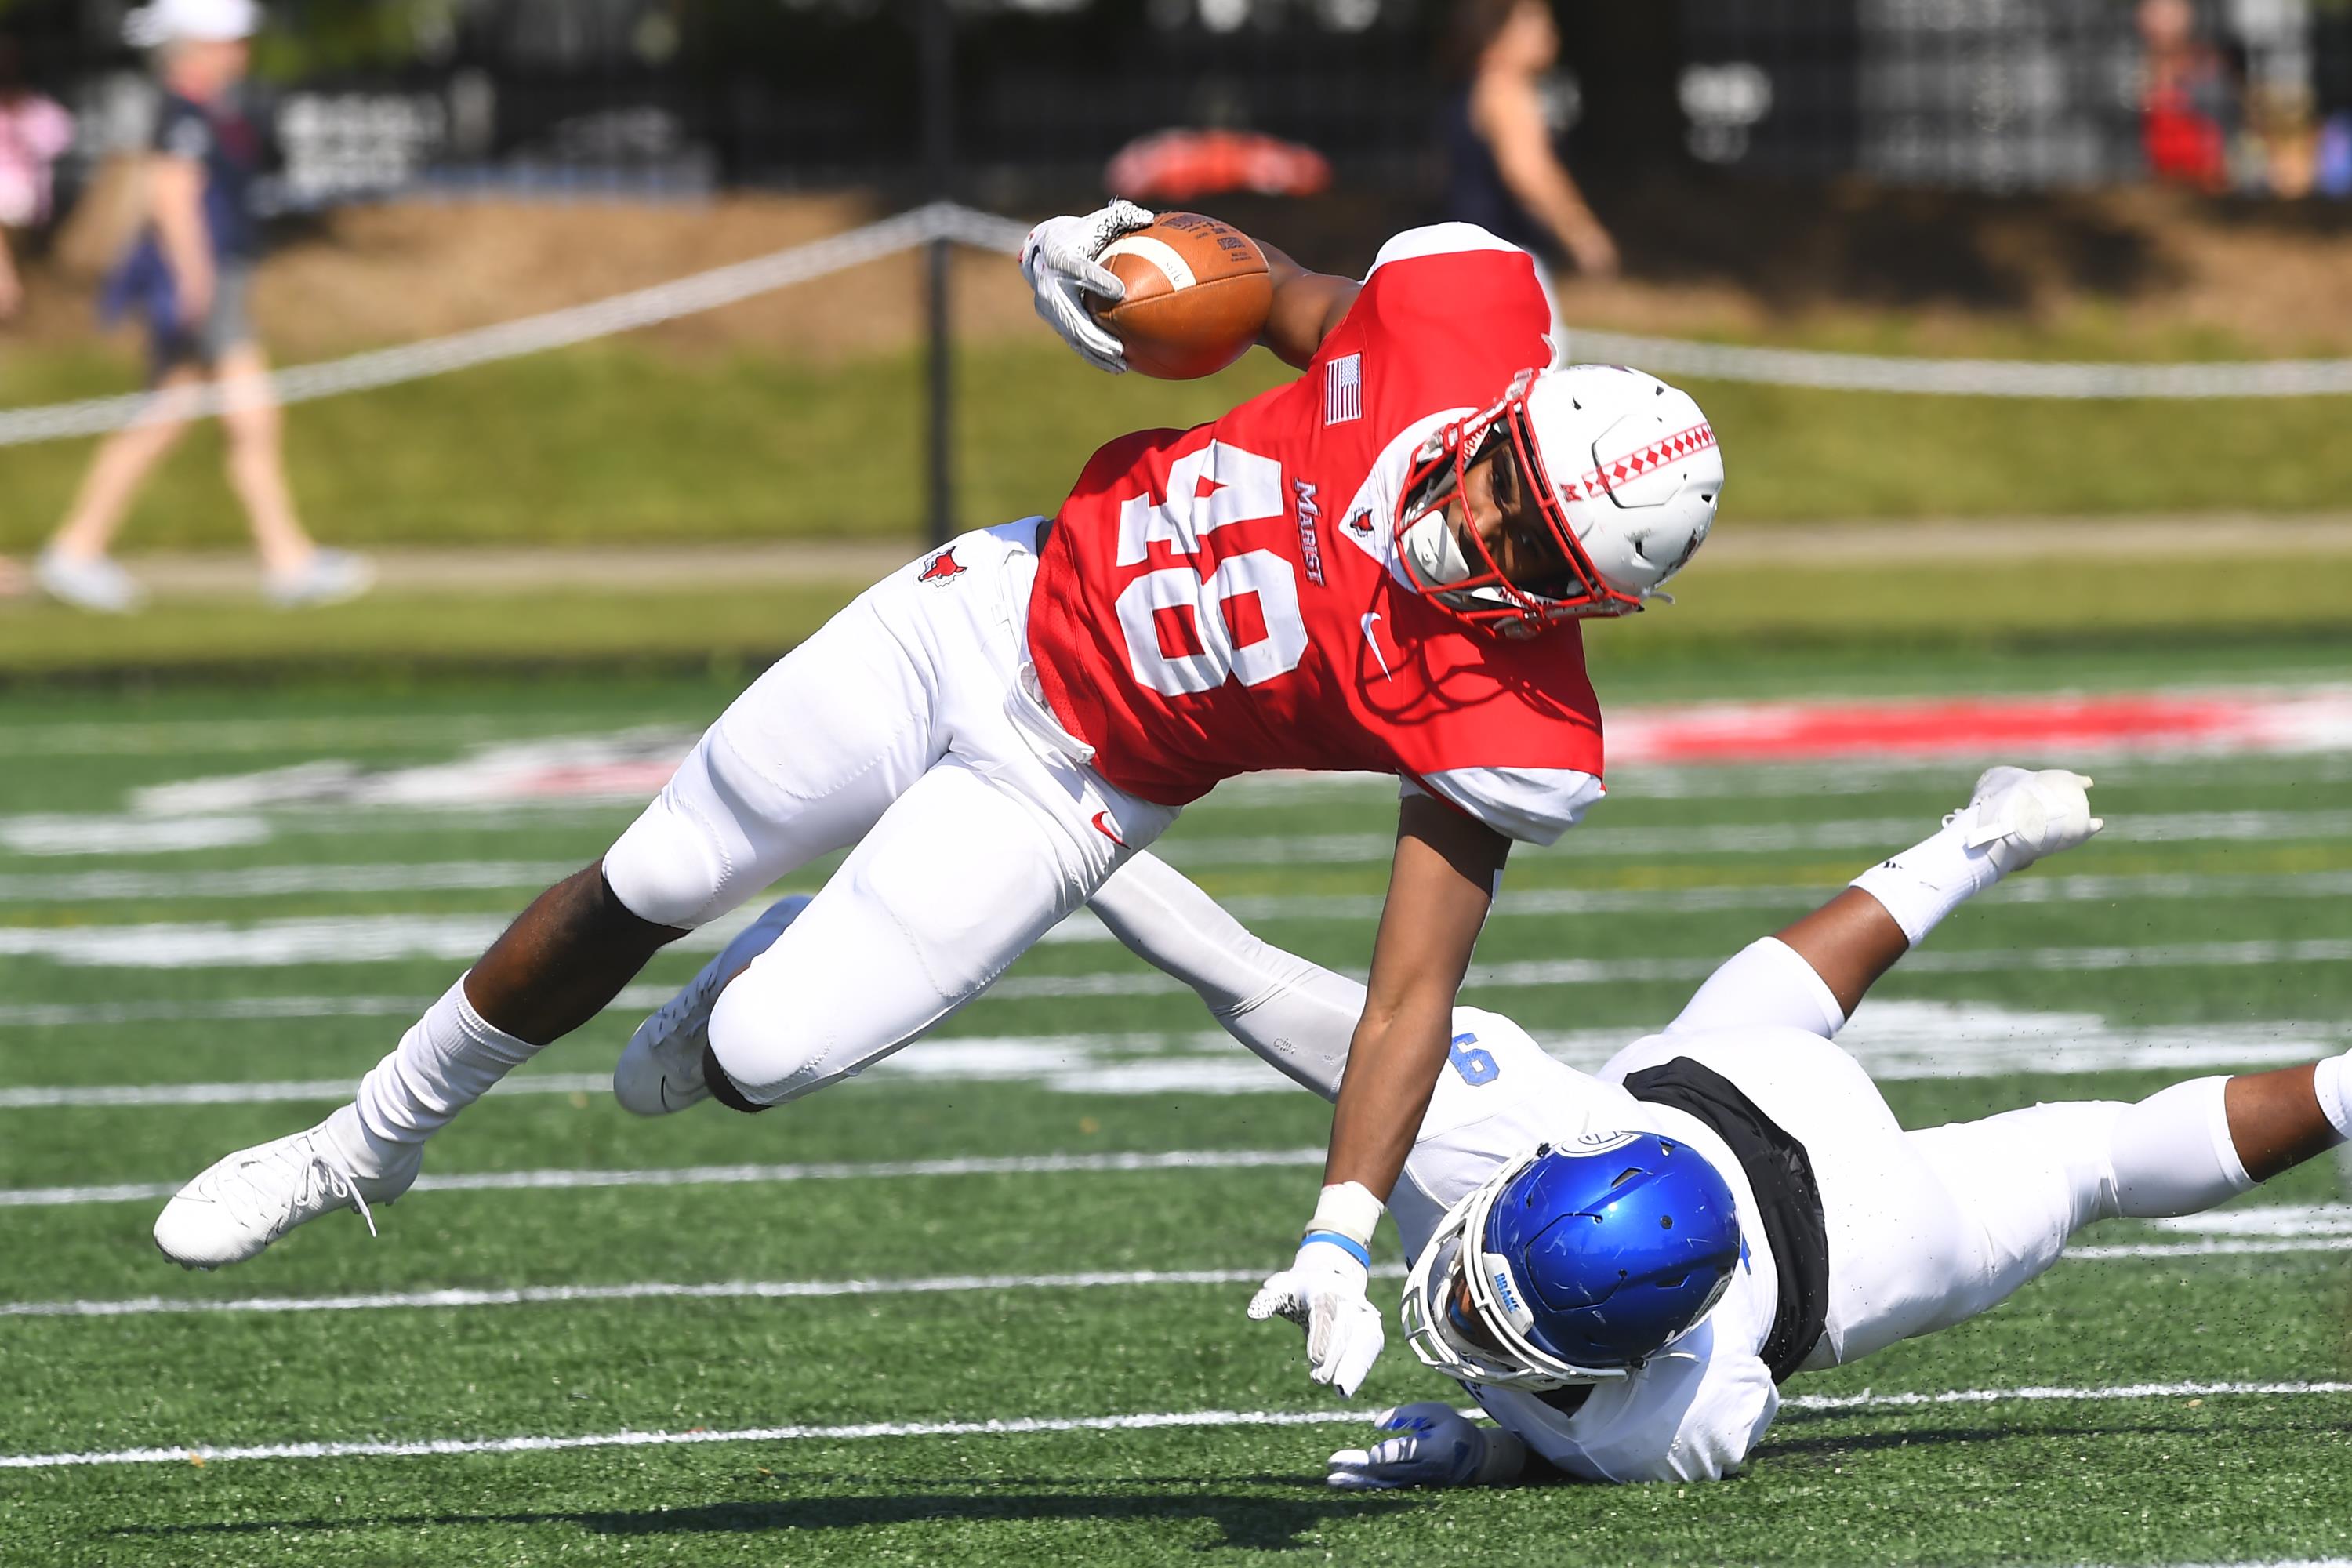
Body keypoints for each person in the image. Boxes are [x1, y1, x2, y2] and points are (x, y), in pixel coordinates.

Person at [150, 200, 1722, 1398]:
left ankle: (753, 981)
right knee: (656, 866)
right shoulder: (1459, 311)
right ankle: (364, 1143)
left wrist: (1341, 1223)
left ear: (1587, 603)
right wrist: (1119, 262)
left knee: (760, 1054)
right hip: (981, 610)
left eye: (1532, 557)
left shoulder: (1516, 718)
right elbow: (1279, 300)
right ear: (1513, 413)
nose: (1480, 533)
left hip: (1076, 788)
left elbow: (1409, 996)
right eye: (1498, 482)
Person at [1066, 764, 2350, 1483]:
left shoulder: (1670, 1414)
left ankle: (1981, 839)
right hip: (1732, 1102)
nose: (1450, 1310)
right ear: (1545, 1164)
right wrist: (1071, 834)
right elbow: (1244, 976)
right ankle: (1981, 839)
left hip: (1855, 1245)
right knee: (2053, 1137)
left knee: (2089, 1157)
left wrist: (1477, 1453)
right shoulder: (1497, 1125)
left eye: (1484, 1312)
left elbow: (1238, 968)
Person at [34, 0, 368, 615]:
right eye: (227, 43)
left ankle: (80, 547)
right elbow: (173, 198)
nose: (239, 54)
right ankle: (285, 561)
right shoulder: (183, 114)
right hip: (207, 285)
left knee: (173, 420)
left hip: (221, 281)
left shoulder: (215, 111)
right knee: (249, 419)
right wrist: (196, 280)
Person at [1440, 0, 1619, 317]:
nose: (1550, 32)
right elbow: (1527, 171)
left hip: (1466, 263)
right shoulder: (1505, 89)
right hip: (1505, 266)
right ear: (1499, 32)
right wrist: (1582, 235)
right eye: (1537, 21)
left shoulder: (1472, 87)